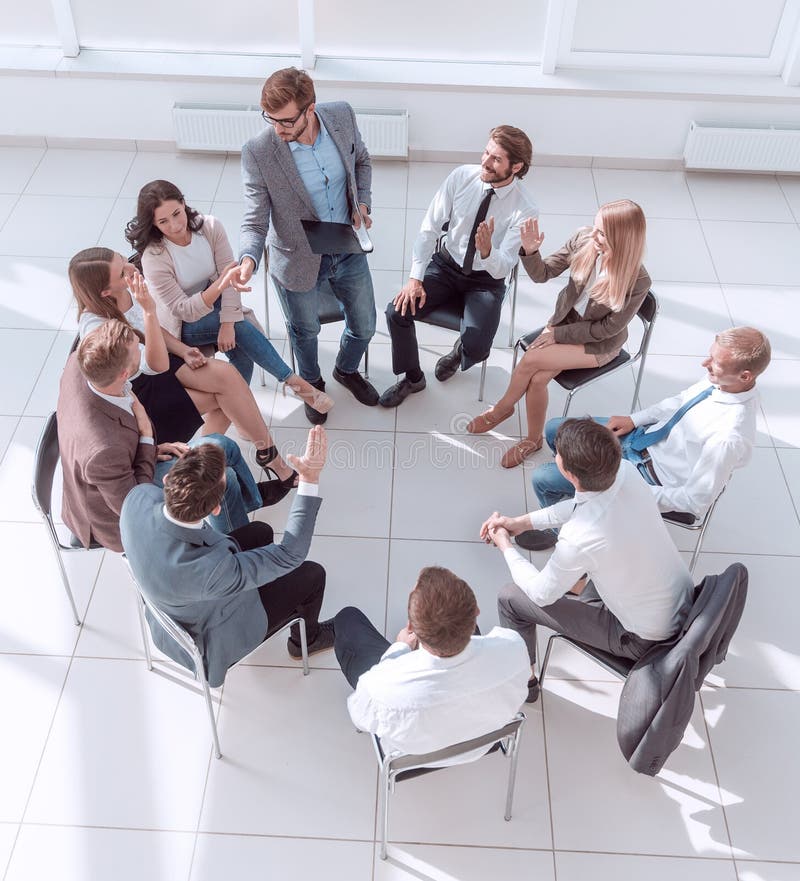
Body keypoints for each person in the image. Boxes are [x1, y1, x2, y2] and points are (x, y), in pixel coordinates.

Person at [481, 418, 693, 703]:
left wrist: (505, 544)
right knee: (587, 567)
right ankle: (578, 592)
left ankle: (524, 684)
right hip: (680, 602)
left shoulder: (580, 538)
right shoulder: (627, 473)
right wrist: (521, 522)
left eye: (556, 454)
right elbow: (582, 505)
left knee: (511, 598)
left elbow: (540, 595)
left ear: (568, 473)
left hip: (643, 638)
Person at [69, 246, 299, 497]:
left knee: (228, 376)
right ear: (105, 292)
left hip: (152, 361)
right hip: (139, 394)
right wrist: (148, 309)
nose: (133, 268)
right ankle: (212, 462)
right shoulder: (98, 330)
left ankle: (264, 453)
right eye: (123, 272)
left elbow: (150, 331)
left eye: (125, 261)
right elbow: (157, 364)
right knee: (224, 400)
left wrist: (182, 349)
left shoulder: (126, 288)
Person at [120, 427, 335, 688]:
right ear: (215, 508)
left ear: (167, 480)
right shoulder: (214, 569)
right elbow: (291, 554)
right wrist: (309, 480)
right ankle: (306, 642)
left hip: (170, 601)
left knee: (261, 531)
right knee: (313, 575)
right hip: (212, 636)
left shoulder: (136, 498)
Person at [126, 179, 334, 447]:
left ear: (183, 203)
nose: (174, 225)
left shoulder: (209, 227)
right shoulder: (154, 257)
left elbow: (232, 280)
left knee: (240, 351)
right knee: (240, 326)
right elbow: (185, 311)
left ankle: (239, 415)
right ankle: (293, 381)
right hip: (180, 327)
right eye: (163, 222)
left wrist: (226, 321)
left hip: (215, 310)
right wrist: (222, 291)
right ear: (153, 225)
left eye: (176, 214)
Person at [523, 326, 771, 550]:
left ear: (745, 376)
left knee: (543, 478)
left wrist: (630, 491)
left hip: (647, 479)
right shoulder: (722, 381)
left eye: (715, 363)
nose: (704, 364)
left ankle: (564, 534)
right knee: (557, 429)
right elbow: (679, 402)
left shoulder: (729, 436)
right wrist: (635, 419)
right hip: (641, 440)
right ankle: (584, 499)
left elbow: (695, 501)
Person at [58, 319, 280, 552]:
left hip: (129, 462)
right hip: (119, 509)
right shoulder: (103, 451)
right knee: (221, 479)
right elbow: (136, 505)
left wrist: (150, 448)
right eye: (138, 351)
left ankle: (244, 506)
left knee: (223, 445)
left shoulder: (79, 362)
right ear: (124, 374)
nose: (143, 351)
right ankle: (235, 554)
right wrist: (145, 438)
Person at [237, 66, 379, 424]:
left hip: (346, 245)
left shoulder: (342, 115)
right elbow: (255, 219)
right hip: (296, 258)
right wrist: (249, 259)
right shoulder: (259, 152)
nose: (278, 129)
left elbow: (361, 161)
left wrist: (362, 204)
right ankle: (312, 383)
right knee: (305, 332)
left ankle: (346, 370)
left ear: (310, 108)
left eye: (286, 121)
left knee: (365, 325)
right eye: (271, 119)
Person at [467, 200, 650, 469]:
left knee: (530, 361)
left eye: (603, 234)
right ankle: (532, 440)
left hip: (599, 344)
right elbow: (544, 273)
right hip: (566, 323)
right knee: (538, 379)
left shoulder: (638, 280)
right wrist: (531, 251)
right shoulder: (584, 238)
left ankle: (502, 409)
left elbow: (606, 329)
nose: (595, 237)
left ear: (624, 239)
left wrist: (557, 335)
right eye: (596, 228)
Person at [380, 126, 538, 408]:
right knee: (397, 311)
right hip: (446, 266)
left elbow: (502, 269)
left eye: (496, 159)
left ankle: (458, 353)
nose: (485, 162)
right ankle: (413, 377)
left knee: (478, 347)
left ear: (516, 166)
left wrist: (487, 251)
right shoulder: (462, 177)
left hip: (485, 280)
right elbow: (429, 229)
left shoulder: (525, 209)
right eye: (486, 153)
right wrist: (415, 278)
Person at [334, 566, 529, 760]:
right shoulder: (514, 648)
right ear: (476, 612)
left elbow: (359, 717)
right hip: (481, 745)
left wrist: (400, 648)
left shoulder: (380, 687)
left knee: (348, 617)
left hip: (411, 757)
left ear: (411, 626)